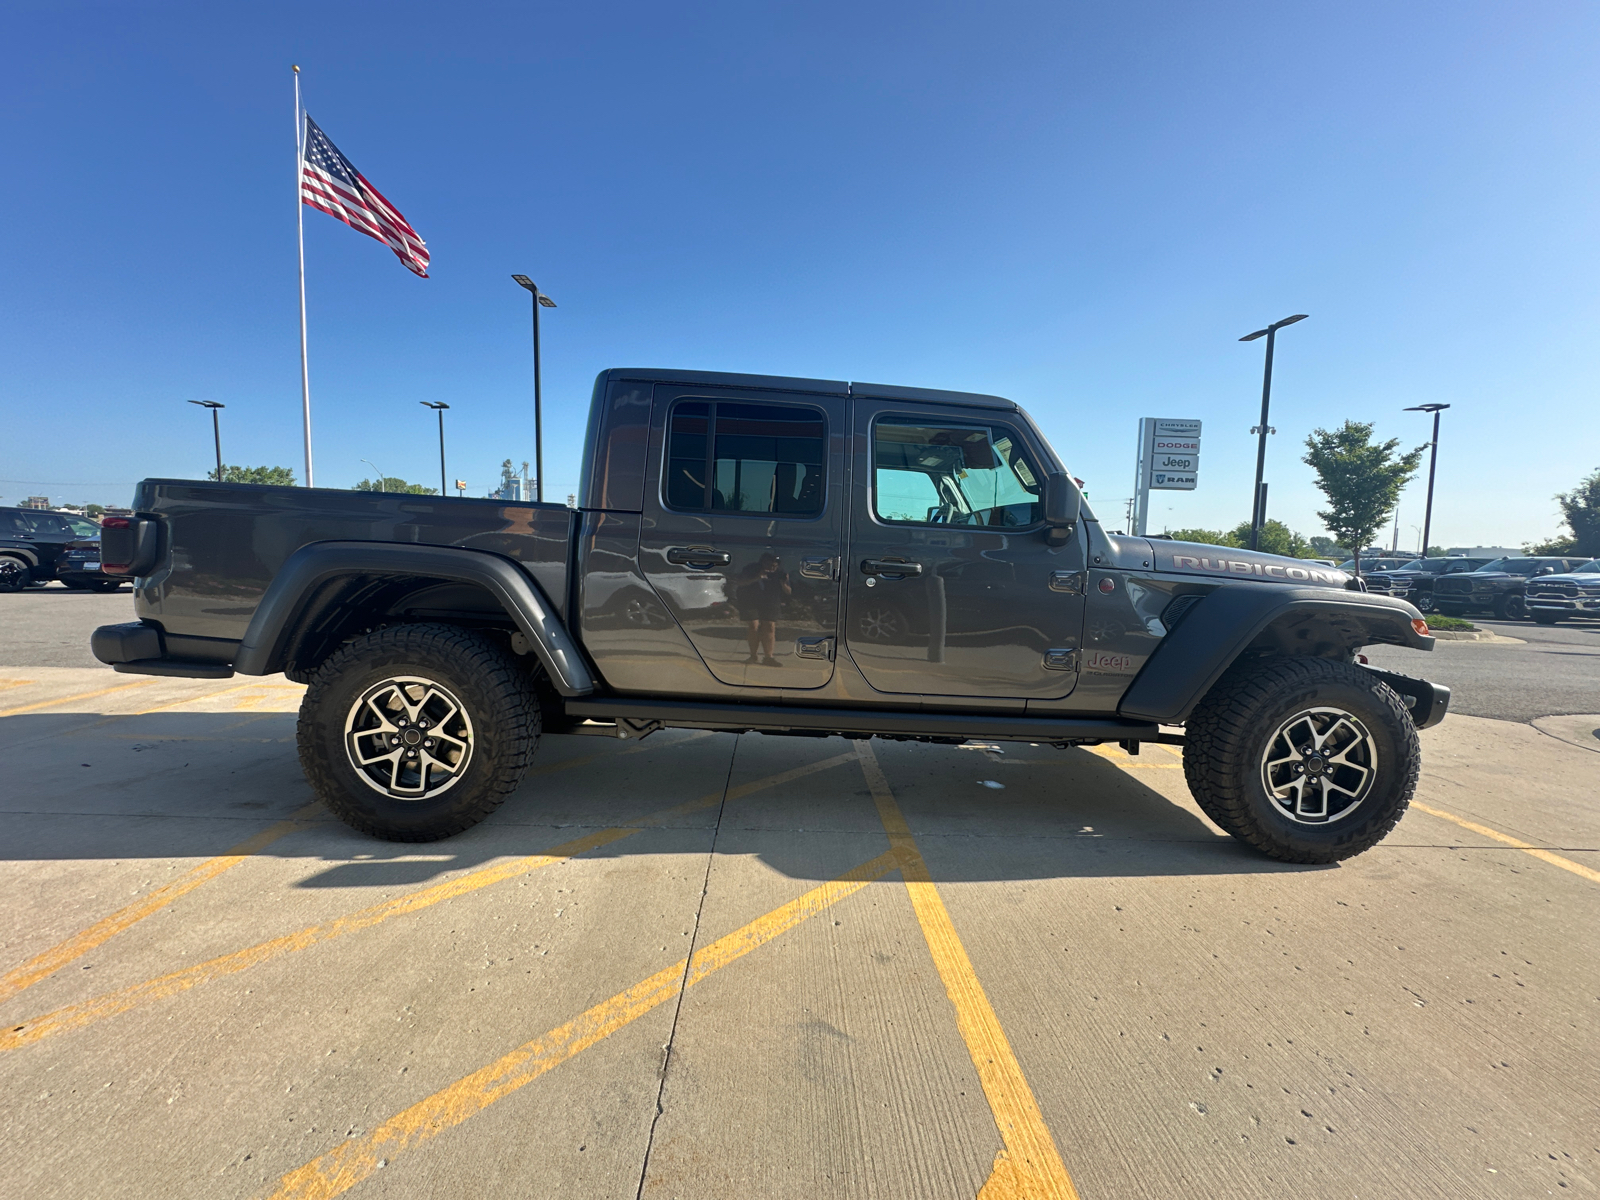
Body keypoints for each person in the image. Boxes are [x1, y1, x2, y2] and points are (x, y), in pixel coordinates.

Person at [738, 552, 791, 666]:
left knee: (770, 626)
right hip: (752, 600)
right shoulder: (751, 569)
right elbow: (741, 583)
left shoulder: (780, 573)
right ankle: (753, 655)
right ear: (762, 563)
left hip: (770, 601)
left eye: (775, 565)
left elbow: (788, 591)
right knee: (753, 625)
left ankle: (768, 657)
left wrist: (783, 583)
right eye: (769, 564)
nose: (772, 567)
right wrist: (757, 577)